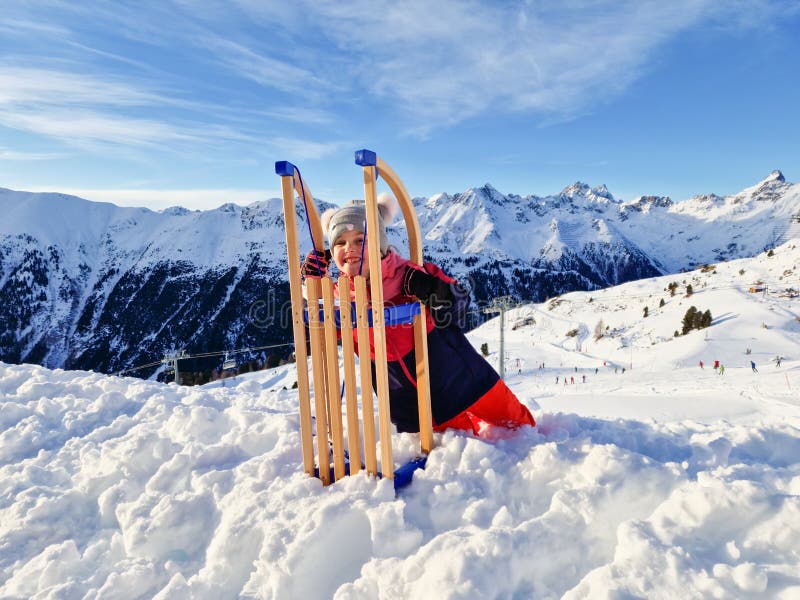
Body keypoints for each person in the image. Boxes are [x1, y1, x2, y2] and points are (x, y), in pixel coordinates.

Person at [301, 195, 535, 436]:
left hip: (460, 377)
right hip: (406, 399)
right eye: (340, 243)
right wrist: (310, 287)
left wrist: (432, 289)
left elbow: (459, 304)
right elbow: (316, 328)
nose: (349, 248)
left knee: (520, 427)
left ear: (380, 245)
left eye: (360, 240)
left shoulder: (409, 274)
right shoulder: (337, 296)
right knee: (455, 449)